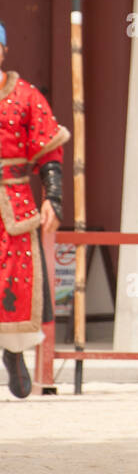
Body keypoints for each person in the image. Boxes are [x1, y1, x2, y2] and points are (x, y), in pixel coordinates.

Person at [0, 22, 67, 398]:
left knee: (15, 280)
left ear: (4, 50)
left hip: (15, 202)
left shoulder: (26, 96)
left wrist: (52, 197)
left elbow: (48, 151)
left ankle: (13, 354)